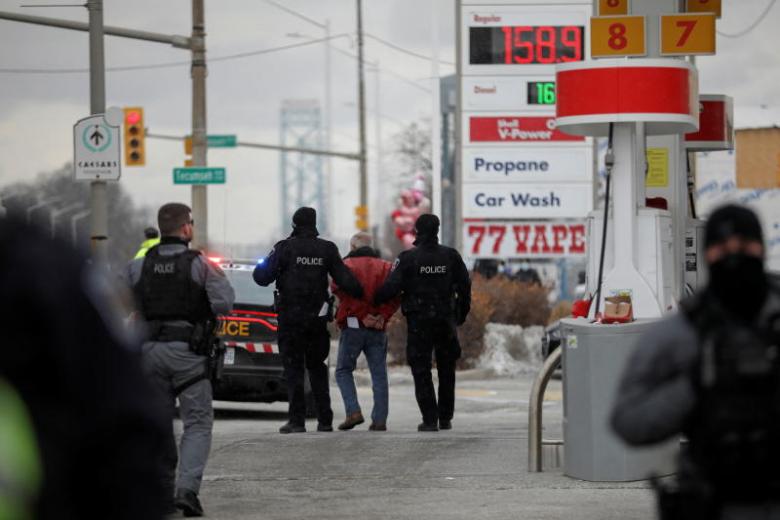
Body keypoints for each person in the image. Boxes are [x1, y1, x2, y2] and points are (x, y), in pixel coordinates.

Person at [611, 205, 780, 520]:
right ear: (706, 255)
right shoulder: (679, 333)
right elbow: (628, 421)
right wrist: (696, 385)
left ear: (762, 248)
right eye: (722, 247)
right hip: (711, 501)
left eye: (745, 245)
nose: (734, 254)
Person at [0, 215, 169, 519]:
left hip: (154, 344)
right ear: (186, 228)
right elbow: (127, 424)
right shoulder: (46, 265)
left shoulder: (43, 264)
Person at [125, 203, 235, 517]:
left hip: (148, 353)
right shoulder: (199, 264)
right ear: (186, 228)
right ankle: (186, 491)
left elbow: (116, 299)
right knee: (197, 424)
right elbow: (224, 303)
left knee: (157, 422)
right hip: (188, 355)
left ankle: (160, 490)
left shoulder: (139, 264)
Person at [254, 207, 363, 434]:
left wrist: (266, 262)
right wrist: (361, 292)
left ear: (294, 224)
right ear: (314, 224)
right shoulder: (327, 249)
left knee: (293, 370)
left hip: (290, 320)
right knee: (317, 368)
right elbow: (347, 281)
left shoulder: (284, 248)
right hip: (316, 320)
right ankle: (325, 420)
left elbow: (261, 277)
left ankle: (297, 421)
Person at [375, 214, 471, 432]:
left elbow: (391, 287)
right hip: (445, 321)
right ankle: (445, 417)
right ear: (437, 230)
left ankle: (430, 418)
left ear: (417, 230)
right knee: (447, 369)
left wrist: (373, 298)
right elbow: (465, 287)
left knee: (421, 369)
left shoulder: (408, 258)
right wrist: (460, 314)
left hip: (419, 322)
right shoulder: (450, 256)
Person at [331, 231, 400, 432]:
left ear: (353, 247)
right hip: (378, 329)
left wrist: (361, 316)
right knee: (379, 373)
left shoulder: (345, 267)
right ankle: (379, 420)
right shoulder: (386, 267)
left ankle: (353, 411)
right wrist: (382, 316)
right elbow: (396, 295)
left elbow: (341, 292)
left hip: (353, 326)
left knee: (343, 370)